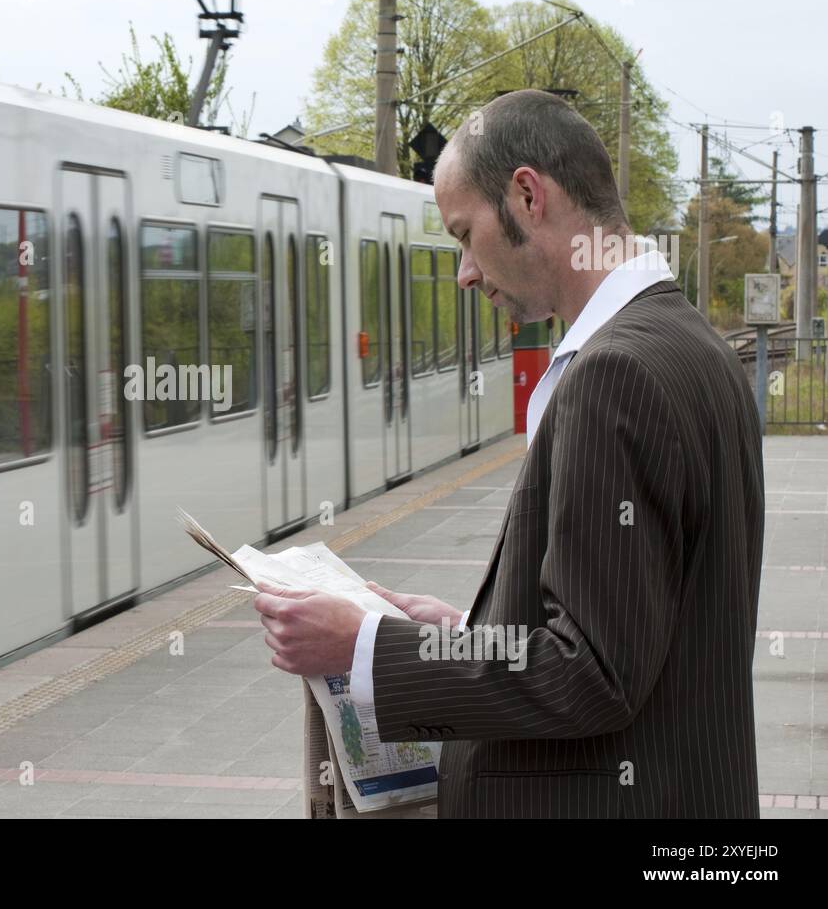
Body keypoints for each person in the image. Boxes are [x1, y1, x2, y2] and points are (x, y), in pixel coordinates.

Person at [255, 89, 764, 818]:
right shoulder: (694, 346)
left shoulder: (613, 375)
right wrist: (460, 636)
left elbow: (590, 672)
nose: (464, 271)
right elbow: (630, 632)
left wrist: (366, 647)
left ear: (527, 196)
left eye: (465, 233)